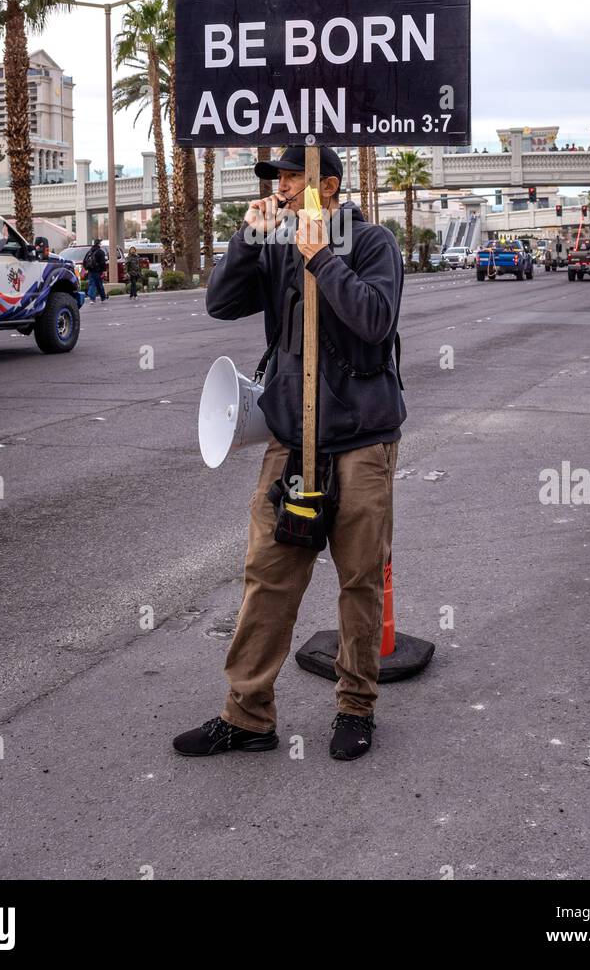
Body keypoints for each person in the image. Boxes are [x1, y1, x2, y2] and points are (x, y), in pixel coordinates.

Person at [173, 144, 406, 763]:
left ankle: (356, 707)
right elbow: (220, 302)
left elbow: (376, 320)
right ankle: (247, 715)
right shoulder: (273, 245)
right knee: (269, 577)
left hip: (360, 439)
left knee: (358, 580)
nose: (280, 186)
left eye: (292, 176)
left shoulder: (373, 242)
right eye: (276, 178)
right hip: (289, 440)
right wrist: (250, 238)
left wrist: (321, 257)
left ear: (327, 187)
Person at [83, 238, 108, 302]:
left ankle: (92, 298)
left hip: (90, 271)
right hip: (98, 271)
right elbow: (103, 263)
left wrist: (86, 268)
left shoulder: (90, 251)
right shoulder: (100, 252)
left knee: (92, 284)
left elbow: (84, 261)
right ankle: (102, 298)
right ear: (99, 244)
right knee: (99, 284)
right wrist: (104, 271)